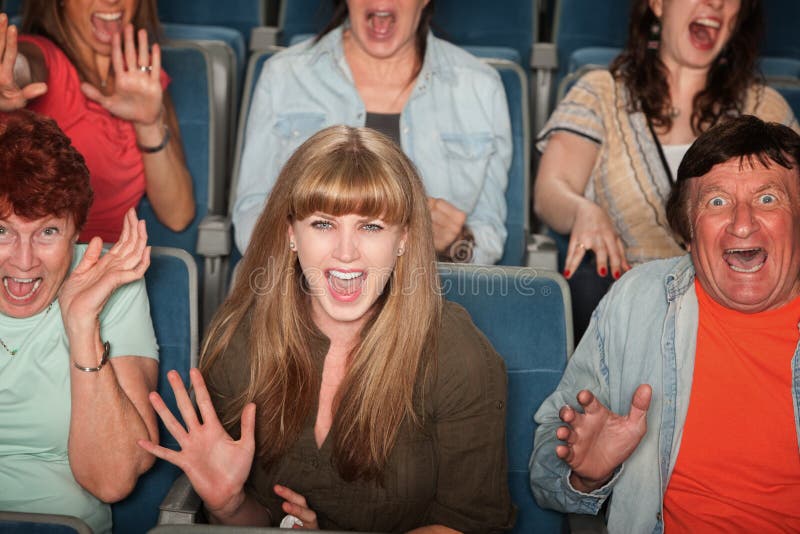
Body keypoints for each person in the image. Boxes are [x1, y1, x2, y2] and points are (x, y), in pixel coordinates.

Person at [140, 126, 516, 532]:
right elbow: (256, 521)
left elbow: (466, 526)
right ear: (291, 233)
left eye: (370, 226)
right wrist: (229, 505)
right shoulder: (241, 340)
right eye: (323, 224)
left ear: (404, 237)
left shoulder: (458, 354)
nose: (346, 252)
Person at [529, 115, 800, 532]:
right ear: (688, 231)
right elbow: (548, 464)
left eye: (767, 200)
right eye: (716, 202)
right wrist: (586, 474)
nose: (742, 223)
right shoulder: (638, 300)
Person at [534, 0, 799, 339]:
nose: (715, 3)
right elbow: (550, 190)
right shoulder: (601, 92)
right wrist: (582, 210)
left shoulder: (766, 107)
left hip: (737, 305)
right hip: (626, 305)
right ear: (658, 4)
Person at [232, 0, 511, 265]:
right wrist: (309, 248)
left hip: (428, 293)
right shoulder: (283, 75)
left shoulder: (480, 87)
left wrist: (455, 243)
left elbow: (489, 236)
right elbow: (250, 218)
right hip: (304, 292)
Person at [0, 110, 159, 533]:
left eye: (48, 232)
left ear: (77, 233)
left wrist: (82, 324)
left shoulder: (112, 283)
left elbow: (113, 479)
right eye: (3, 231)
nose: (24, 259)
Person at [0, 0, 194, 243]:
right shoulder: (41, 55)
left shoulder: (143, 77)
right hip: (37, 266)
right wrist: (10, 71)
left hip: (111, 266)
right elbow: (22, 66)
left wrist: (148, 124)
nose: (111, 1)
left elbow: (179, 215)